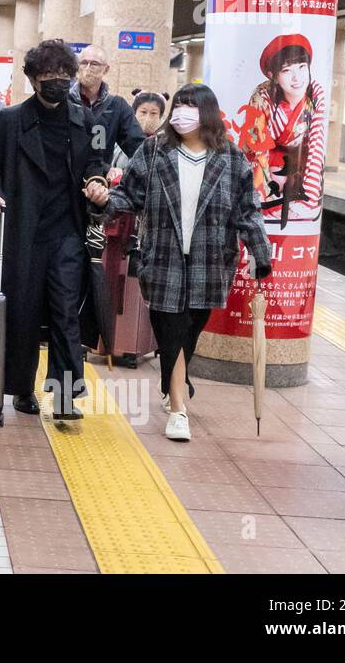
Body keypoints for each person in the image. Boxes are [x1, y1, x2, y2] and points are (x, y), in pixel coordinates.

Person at [85, 83, 273, 442]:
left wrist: (260, 254)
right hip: (163, 259)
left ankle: (174, 377)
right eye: (179, 106)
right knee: (170, 328)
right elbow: (130, 195)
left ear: (209, 113)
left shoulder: (232, 159)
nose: (182, 113)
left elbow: (248, 211)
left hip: (210, 261)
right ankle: (178, 409)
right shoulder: (155, 151)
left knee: (189, 332)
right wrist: (104, 199)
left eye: (191, 106)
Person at [0, 40, 107, 419]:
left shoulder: (84, 120)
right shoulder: (10, 120)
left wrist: (96, 183)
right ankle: (21, 390)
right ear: (33, 80)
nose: (57, 84)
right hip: (21, 230)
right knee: (24, 312)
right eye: (48, 78)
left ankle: (66, 399)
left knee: (65, 312)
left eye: (63, 78)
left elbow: (94, 163)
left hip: (67, 231)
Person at [239, 34, 326, 229]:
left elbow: (316, 143)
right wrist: (263, 199)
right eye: (287, 70)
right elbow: (257, 147)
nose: (297, 78)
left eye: (302, 67)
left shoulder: (316, 94)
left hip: (299, 166)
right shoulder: (262, 97)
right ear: (273, 75)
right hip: (266, 163)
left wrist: (309, 196)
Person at [70, 44, 145, 175]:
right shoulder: (65, 101)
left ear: (106, 69)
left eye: (94, 64)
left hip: (100, 184)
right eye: (83, 63)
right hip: (65, 182)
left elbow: (137, 146)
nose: (88, 68)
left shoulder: (117, 106)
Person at [111, 89, 168, 170]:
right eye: (143, 112)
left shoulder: (165, 142)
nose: (147, 117)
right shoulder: (121, 138)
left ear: (160, 116)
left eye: (153, 113)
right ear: (134, 113)